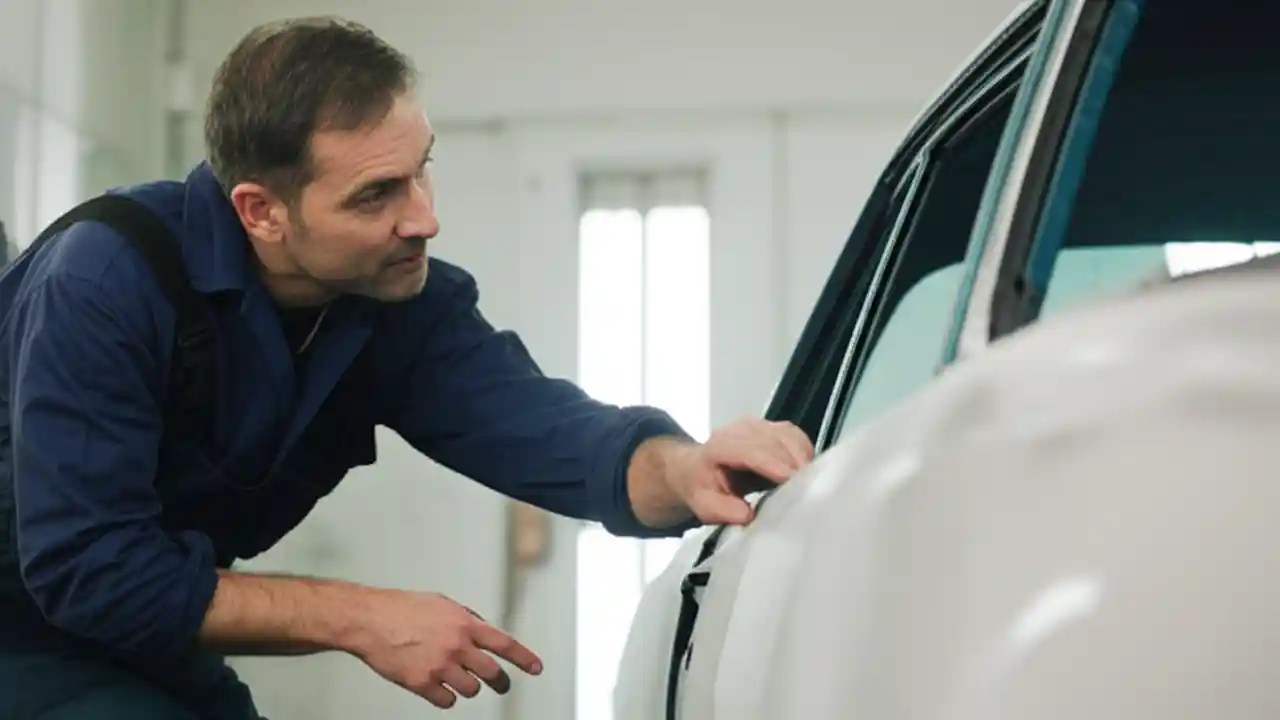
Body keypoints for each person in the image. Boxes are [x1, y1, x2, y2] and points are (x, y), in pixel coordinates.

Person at [0, 15, 814, 718]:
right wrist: (359, 617)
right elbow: (90, 570)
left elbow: (552, 433)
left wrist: (686, 468)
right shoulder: (107, 279)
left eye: (422, 167)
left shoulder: (390, 303)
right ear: (261, 211)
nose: (424, 217)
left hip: (133, 634)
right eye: (376, 195)